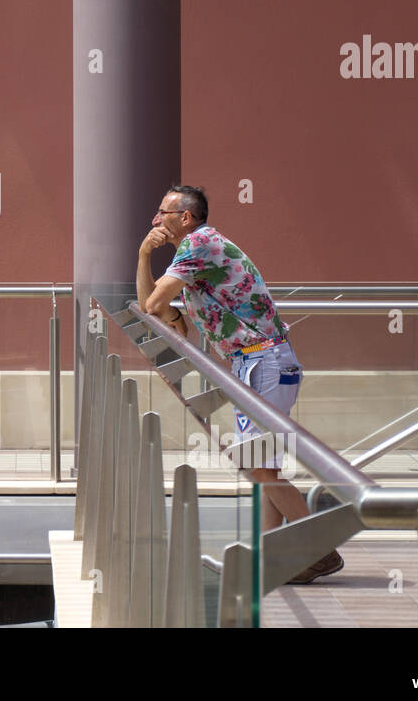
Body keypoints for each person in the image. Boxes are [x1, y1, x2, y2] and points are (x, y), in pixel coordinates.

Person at [136, 184, 343, 584]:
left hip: (263, 362)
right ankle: (279, 557)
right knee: (263, 467)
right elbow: (152, 310)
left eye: (162, 212)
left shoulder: (198, 243)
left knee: (259, 468)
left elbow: (153, 306)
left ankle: (321, 548)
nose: (155, 220)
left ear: (186, 218)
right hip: (256, 362)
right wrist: (144, 253)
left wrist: (148, 256)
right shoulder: (194, 253)